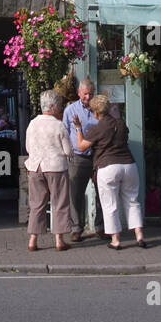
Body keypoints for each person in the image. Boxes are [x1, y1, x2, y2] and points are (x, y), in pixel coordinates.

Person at [73, 94, 148, 249]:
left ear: (95, 112)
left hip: (107, 166)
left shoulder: (97, 128)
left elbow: (81, 146)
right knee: (132, 201)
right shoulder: (120, 124)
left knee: (110, 205)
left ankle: (116, 239)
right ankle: (139, 235)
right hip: (128, 165)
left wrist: (78, 128)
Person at [24, 89, 73, 252]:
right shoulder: (59, 125)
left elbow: (28, 147)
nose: (60, 108)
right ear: (52, 106)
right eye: (58, 105)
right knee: (59, 202)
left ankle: (33, 240)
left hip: (35, 166)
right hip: (56, 167)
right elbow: (67, 150)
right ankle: (59, 240)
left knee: (37, 203)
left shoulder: (32, 124)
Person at [62, 78, 102, 242]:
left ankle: (101, 227)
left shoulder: (98, 109)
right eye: (85, 94)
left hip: (97, 156)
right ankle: (76, 228)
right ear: (79, 93)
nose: (88, 97)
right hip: (78, 157)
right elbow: (64, 132)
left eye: (91, 94)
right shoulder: (70, 110)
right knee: (75, 194)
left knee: (102, 192)